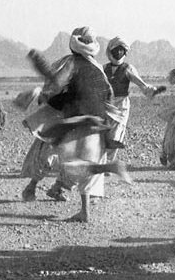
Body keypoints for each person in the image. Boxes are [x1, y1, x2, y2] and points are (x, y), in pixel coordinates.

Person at [33, 26, 130, 222]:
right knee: (85, 163)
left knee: (67, 160)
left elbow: (56, 85)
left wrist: (45, 98)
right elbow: (108, 93)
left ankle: (108, 169)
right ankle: (84, 210)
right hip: (97, 121)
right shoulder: (97, 67)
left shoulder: (71, 63)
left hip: (76, 120)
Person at [103, 36, 160, 162]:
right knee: (104, 135)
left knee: (115, 135)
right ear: (110, 51)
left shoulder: (128, 68)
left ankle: (108, 162)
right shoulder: (104, 69)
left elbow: (141, 84)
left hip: (121, 106)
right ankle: (103, 162)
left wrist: (151, 90)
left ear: (125, 52)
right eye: (116, 50)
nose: (118, 53)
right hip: (107, 105)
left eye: (121, 50)